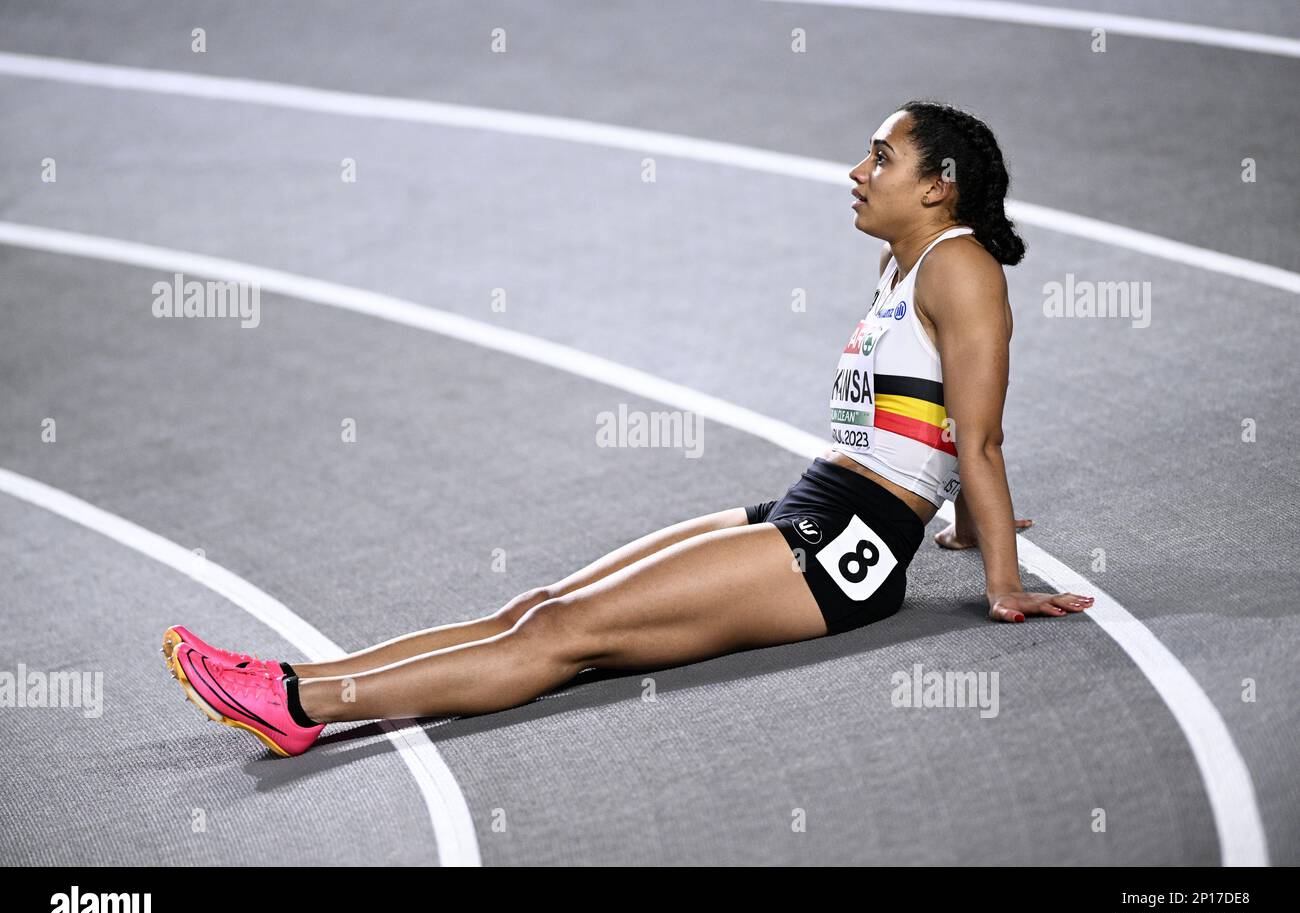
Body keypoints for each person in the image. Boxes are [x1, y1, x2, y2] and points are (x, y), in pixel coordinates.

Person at [162, 99, 1093, 758]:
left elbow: (981, 437)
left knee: (566, 634)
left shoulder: (960, 268)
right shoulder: (905, 267)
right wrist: (968, 527)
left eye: (881, 157)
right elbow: (933, 425)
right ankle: (297, 678)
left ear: (940, 185)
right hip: (816, 501)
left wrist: (1001, 581)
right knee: (532, 607)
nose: (857, 172)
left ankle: (297, 704)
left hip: (849, 541)